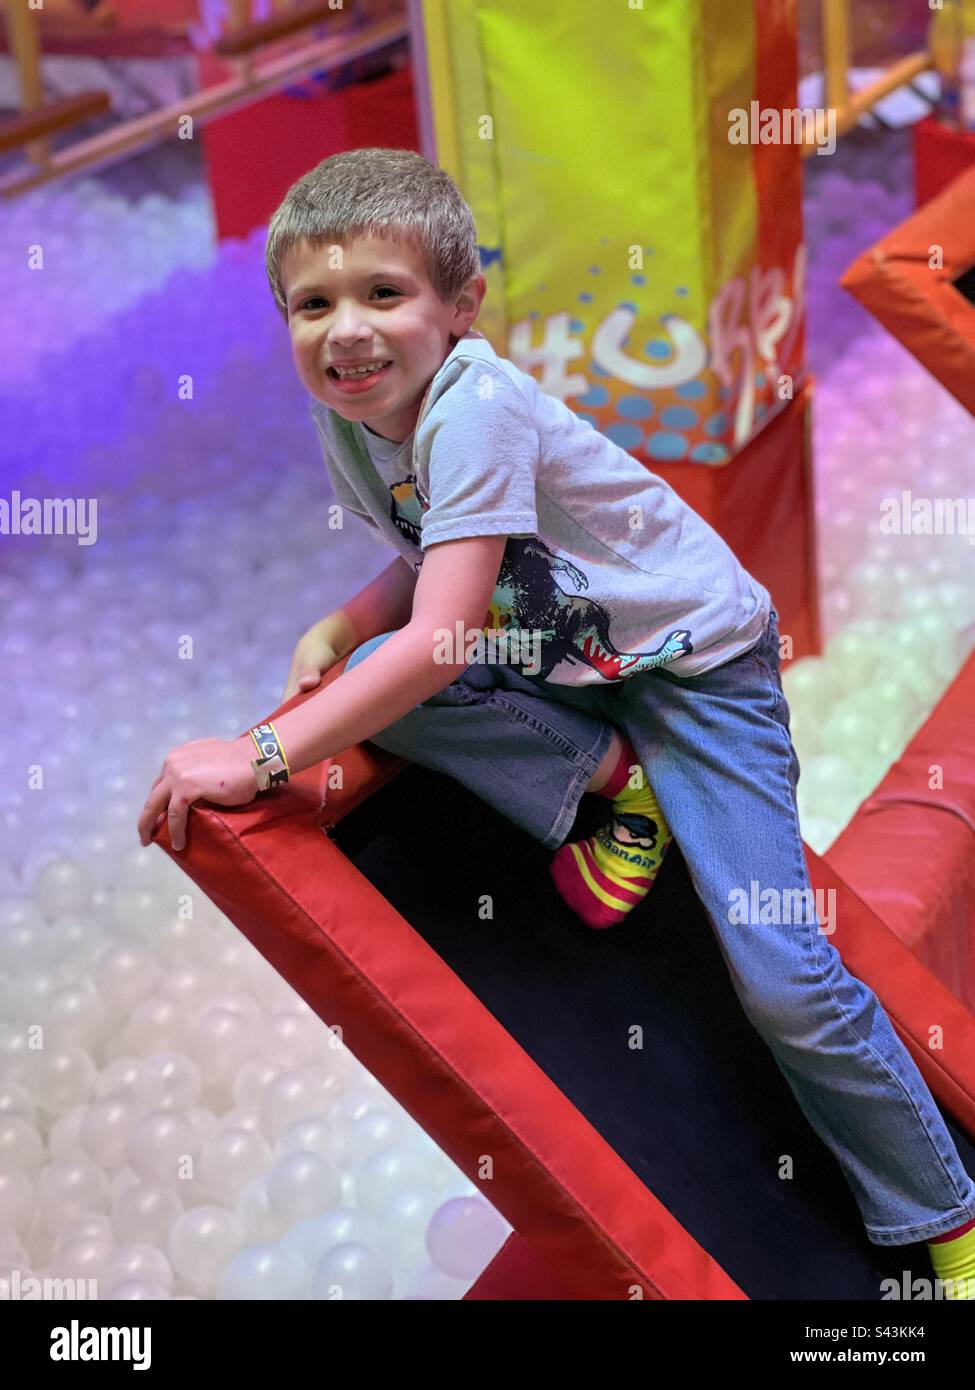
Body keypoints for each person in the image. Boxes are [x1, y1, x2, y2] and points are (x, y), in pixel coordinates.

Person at [139, 147, 975, 1296]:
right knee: (376, 663)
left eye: (384, 295)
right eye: (314, 304)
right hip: (570, 665)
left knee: (779, 972)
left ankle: (947, 1214)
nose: (347, 331)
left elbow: (447, 643)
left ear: (460, 307)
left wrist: (265, 751)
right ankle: (613, 784)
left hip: (694, 670)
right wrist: (344, 618)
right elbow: (435, 573)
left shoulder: (473, 408)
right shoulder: (354, 416)